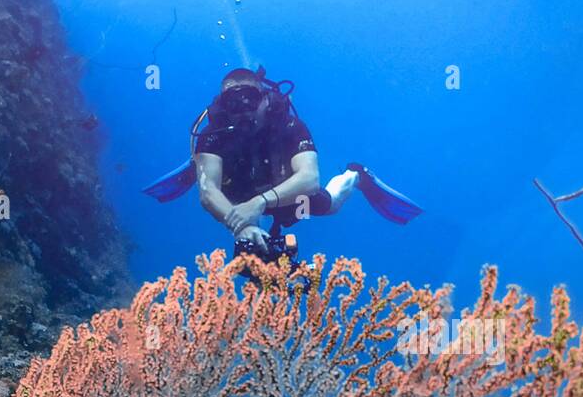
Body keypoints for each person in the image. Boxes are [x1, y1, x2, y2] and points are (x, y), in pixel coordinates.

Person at [143, 67, 421, 260]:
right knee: (210, 177)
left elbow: (310, 179)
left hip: (288, 192)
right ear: (222, 104)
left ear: (264, 98)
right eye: (233, 101)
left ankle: (355, 175)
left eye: (249, 98)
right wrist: (241, 226)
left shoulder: (289, 125)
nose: (242, 109)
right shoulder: (212, 134)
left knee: (332, 205)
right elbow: (208, 194)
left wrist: (262, 202)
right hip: (236, 190)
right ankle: (201, 166)